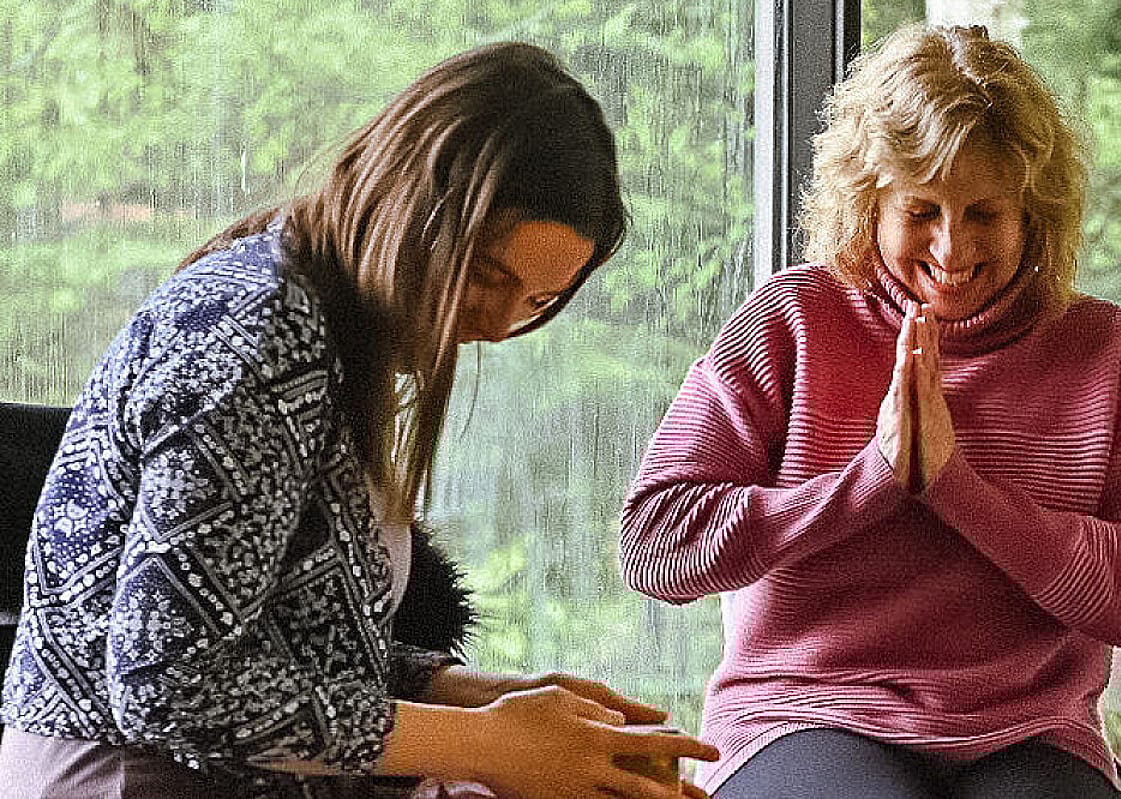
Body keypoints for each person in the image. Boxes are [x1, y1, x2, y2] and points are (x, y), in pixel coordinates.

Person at [0, 41, 718, 799]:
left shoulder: (327, 325)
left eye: (539, 301)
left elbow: (286, 641)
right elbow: (168, 682)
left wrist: (492, 699)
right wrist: (488, 743)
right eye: (487, 275)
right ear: (415, 203)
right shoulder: (260, 335)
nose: (502, 322)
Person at [620, 23, 1121, 799]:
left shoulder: (1107, 350)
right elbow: (657, 543)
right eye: (922, 210)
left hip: (1031, 731)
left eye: (984, 214)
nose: (953, 248)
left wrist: (960, 491)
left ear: (1034, 212)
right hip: (804, 715)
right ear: (869, 202)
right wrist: (871, 481)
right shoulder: (792, 320)